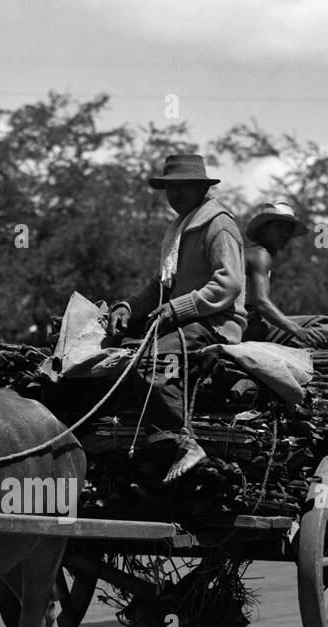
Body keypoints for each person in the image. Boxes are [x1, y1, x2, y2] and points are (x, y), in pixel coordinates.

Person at [106, 153, 246, 482]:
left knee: (152, 362)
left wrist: (177, 308)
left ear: (201, 188)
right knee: (115, 356)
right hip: (185, 321)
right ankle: (153, 450)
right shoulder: (180, 228)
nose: (176, 194)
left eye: (183, 187)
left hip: (215, 323)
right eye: (170, 188)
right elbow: (160, 286)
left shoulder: (218, 224)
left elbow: (229, 284)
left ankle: (185, 442)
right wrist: (128, 307)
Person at [242, 201, 328, 349]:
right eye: (278, 227)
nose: (285, 234)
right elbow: (260, 302)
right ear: (263, 229)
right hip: (246, 327)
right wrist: (297, 330)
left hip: (253, 325)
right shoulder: (260, 255)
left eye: (289, 229)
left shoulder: (256, 253)